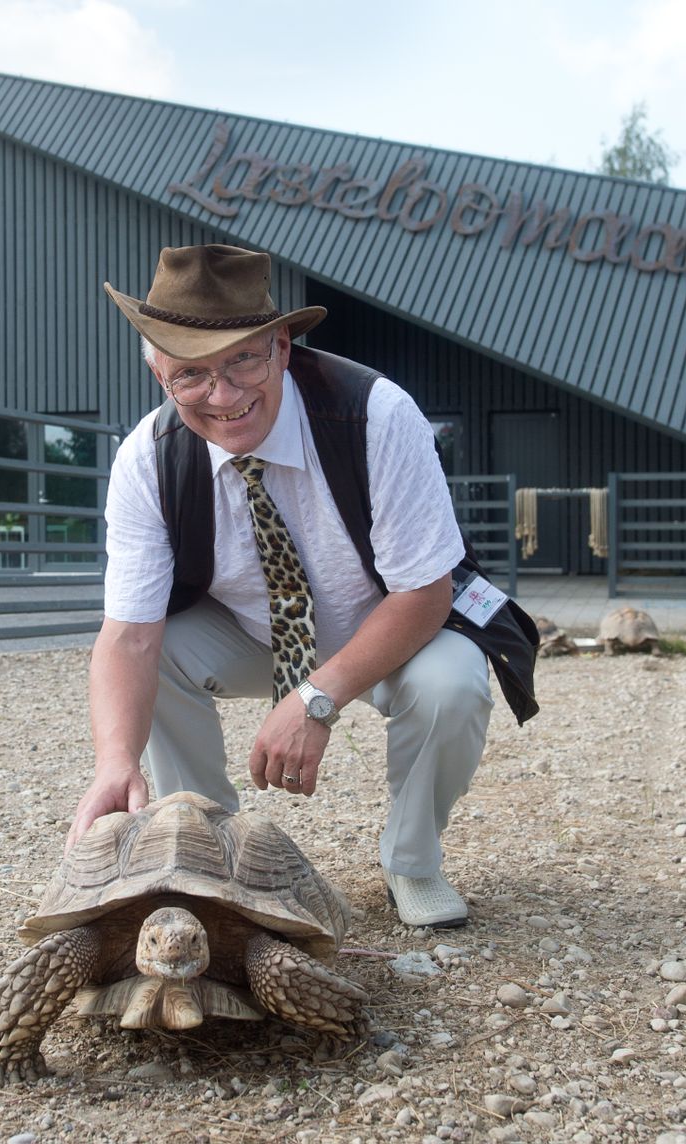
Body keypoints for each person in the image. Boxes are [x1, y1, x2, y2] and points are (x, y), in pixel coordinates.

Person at [68, 244, 536, 928]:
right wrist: (114, 761)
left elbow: (425, 596)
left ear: (282, 347)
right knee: (158, 648)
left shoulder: (377, 415)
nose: (224, 396)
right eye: (191, 374)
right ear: (157, 371)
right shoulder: (148, 456)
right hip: (255, 634)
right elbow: (128, 636)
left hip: (390, 624)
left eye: (242, 361)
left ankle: (412, 862)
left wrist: (315, 698)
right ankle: (203, 861)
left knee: (453, 683)